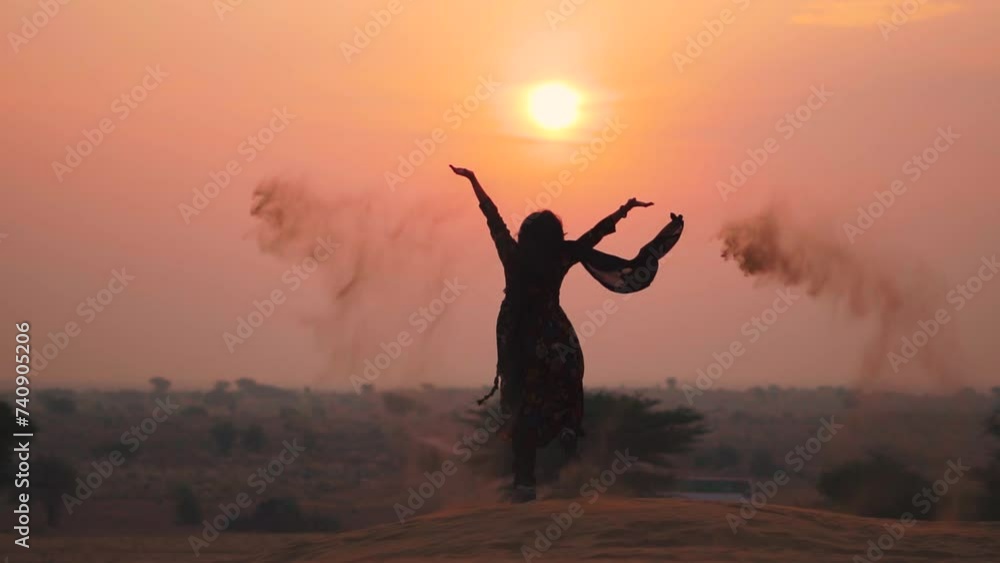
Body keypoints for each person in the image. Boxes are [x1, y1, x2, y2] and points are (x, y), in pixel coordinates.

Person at [449, 165, 684, 502]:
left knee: (521, 407)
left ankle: (524, 483)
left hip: (523, 339)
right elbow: (595, 236)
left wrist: (474, 181)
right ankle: (569, 435)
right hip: (558, 338)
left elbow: (493, 218)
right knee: (568, 386)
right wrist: (623, 211)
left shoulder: (512, 256)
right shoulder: (562, 254)